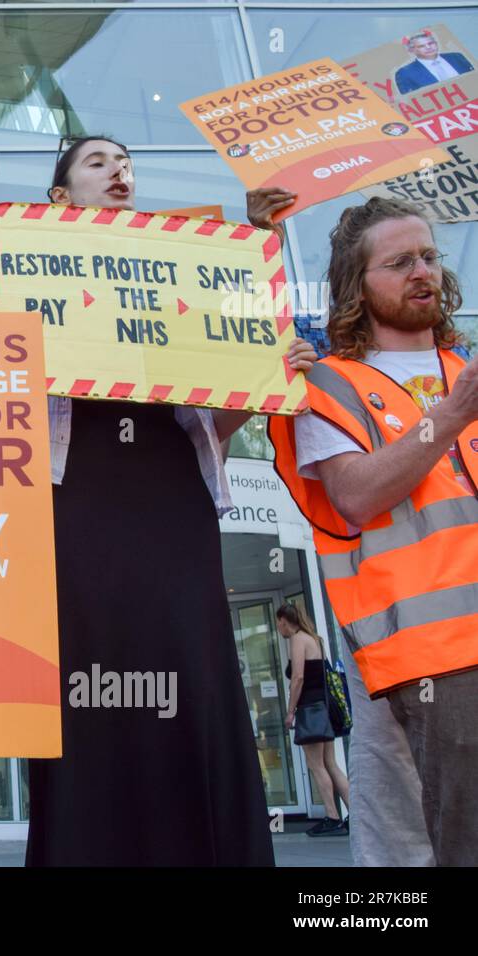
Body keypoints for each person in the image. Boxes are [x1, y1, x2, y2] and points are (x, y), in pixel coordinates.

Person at [18, 137, 316, 865]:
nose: (118, 170)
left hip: (172, 503)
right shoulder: (25, 280)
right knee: (87, 684)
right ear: (59, 199)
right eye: (96, 162)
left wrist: (259, 245)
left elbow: (211, 420)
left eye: (125, 162)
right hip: (76, 505)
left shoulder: (176, 277)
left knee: (193, 676)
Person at [270, 196, 478, 866]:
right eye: (399, 262)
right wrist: (448, 418)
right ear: (358, 286)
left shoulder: (462, 365)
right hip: (437, 655)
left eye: (428, 257)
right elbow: (355, 496)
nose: (423, 272)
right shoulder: (329, 385)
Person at [276, 603, 350, 837]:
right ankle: (355, 816)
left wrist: (290, 711)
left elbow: (297, 677)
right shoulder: (314, 638)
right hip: (323, 708)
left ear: (284, 621)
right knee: (331, 764)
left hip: (310, 709)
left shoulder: (298, 640)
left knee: (316, 765)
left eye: (278, 623)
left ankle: (332, 817)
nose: (279, 628)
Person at [395, 30, 474, 96]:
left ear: (436, 43)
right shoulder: (405, 73)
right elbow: (411, 100)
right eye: (421, 46)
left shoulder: (456, 57)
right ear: (411, 50)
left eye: (431, 43)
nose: (428, 47)